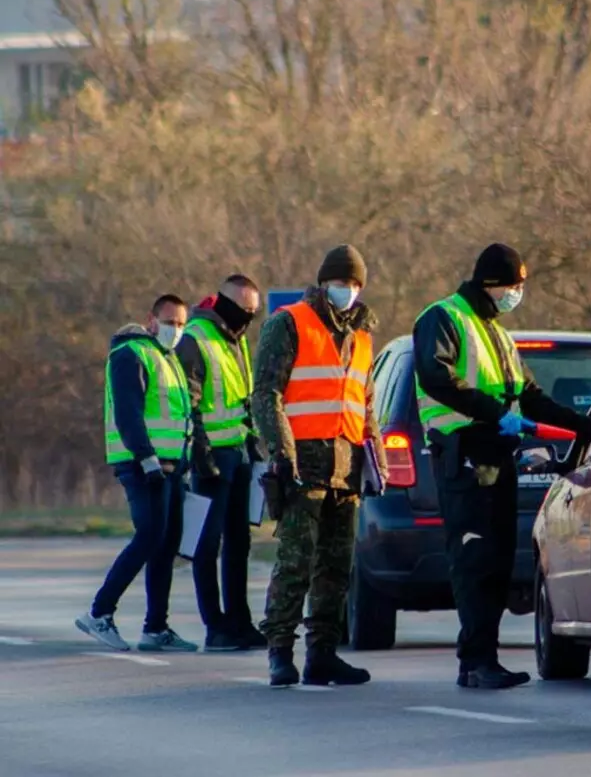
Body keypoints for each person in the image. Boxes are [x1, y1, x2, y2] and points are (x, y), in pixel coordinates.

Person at [413, 243, 591, 689]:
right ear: (492, 283)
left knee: (495, 563)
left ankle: (481, 660)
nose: (517, 294)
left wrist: (585, 426)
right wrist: (494, 413)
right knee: (474, 561)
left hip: (496, 456)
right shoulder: (443, 319)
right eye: (514, 286)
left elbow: (529, 395)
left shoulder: (497, 333)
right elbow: (437, 377)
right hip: (464, 457)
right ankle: (475, 661)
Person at [251, 245, 388, 687]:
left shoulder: (363, 337)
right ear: (323, 282)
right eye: (340, 282)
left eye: (354, 284)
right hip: (301, 465)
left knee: (335, 567)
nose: (347, 290)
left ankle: (323, 655)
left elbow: (365, 405)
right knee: (295, 562)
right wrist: (282, 451)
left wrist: (377, 461)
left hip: (346, 468)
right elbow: (266, 393)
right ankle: (279, 652)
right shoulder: (288, 323)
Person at [76, 294, 200, 653]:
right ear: (151, 320)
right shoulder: (130, 354)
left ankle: (156, 628)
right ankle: (99, 613)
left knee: (165, 543)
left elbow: (180, 416)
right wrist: (146, 458)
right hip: (143, 464)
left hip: (172, 466)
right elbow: (128, 413)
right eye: (169, 322)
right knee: (148, 536)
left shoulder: (168, 359)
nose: (175, 330)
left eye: (180, 324)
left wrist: (184, 462)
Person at [177, 274, 268, 652]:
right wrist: (202, 457)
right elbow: (190, 404)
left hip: (239, 454)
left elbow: (240, 400)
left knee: (239, 543)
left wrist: (253, 444)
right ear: (221, 301)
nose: (246, 317)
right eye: (241, 308)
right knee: (207, 544)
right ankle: (215, 627)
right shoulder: (197, 338)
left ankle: (240, 622)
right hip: (213, 458)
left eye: (252, 312)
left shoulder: (237, 340)